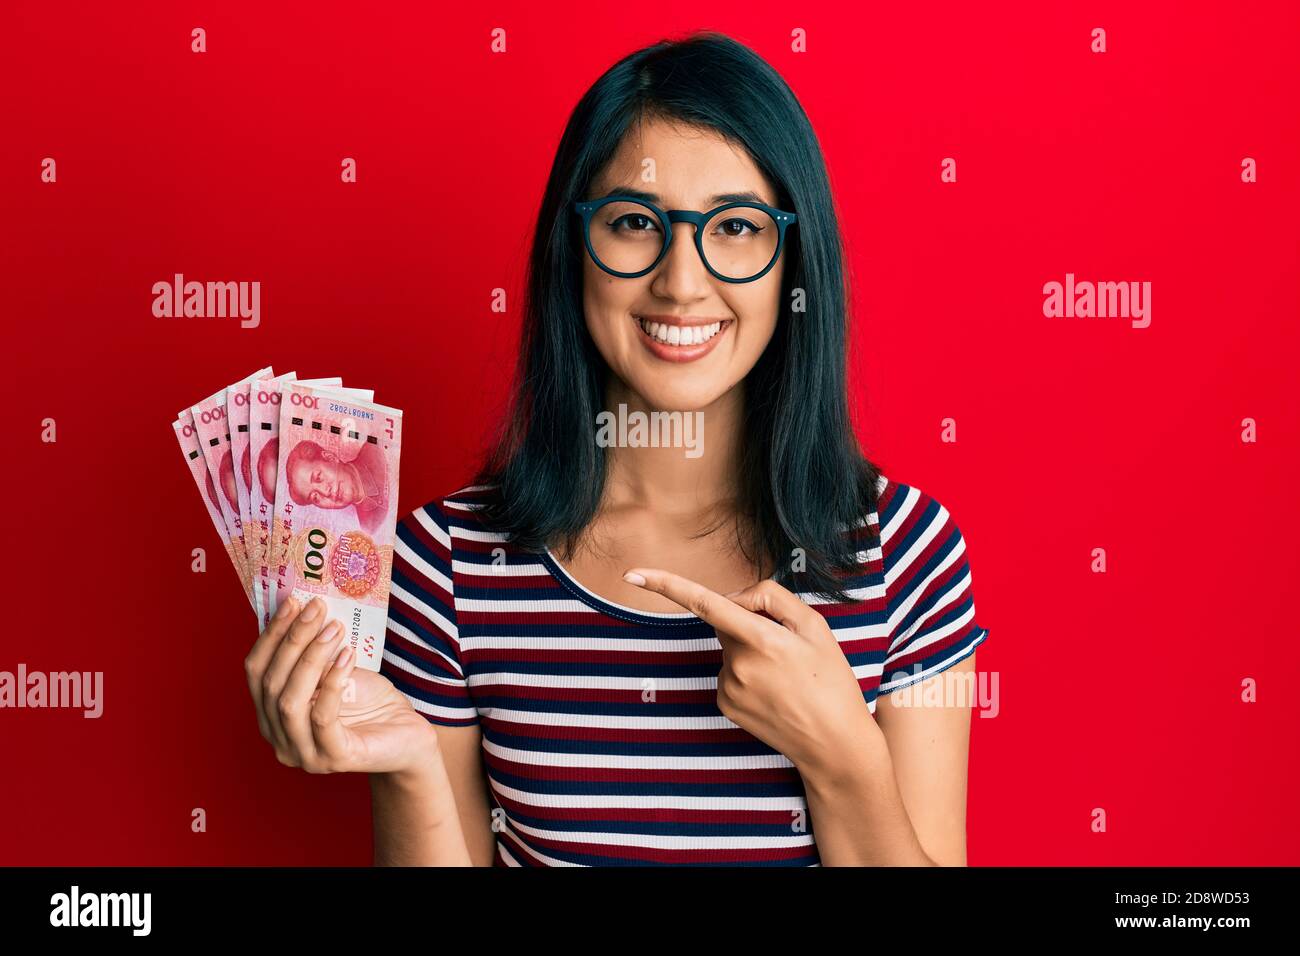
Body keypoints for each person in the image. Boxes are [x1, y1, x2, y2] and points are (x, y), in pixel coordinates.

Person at [244, 30, 990, 866]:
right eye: (635, 222)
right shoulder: (442, 565)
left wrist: (844, 759)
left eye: (737, 227)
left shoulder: (909, 556)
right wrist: (411, 765)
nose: (681, 280)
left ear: (794, 263)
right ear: (574, 251)